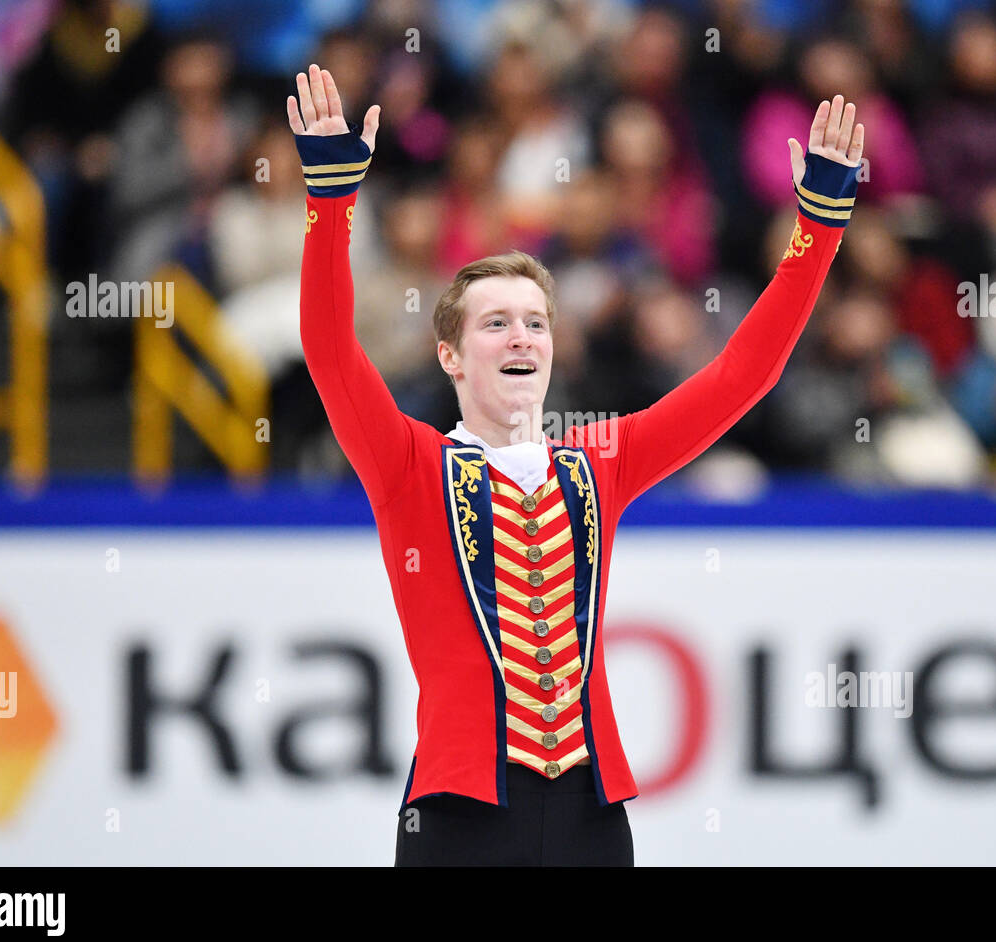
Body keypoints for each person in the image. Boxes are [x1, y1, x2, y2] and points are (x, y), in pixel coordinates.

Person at [287, 63, 865, 865]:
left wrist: (820, 227)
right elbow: (327, 348)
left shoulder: (599, 461)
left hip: (593, 819)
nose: (521, 337)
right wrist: (330, 199)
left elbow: (743, 377)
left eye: (535, 322)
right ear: (450, 356)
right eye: (496, 323)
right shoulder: (409, 464)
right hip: (459, 816)